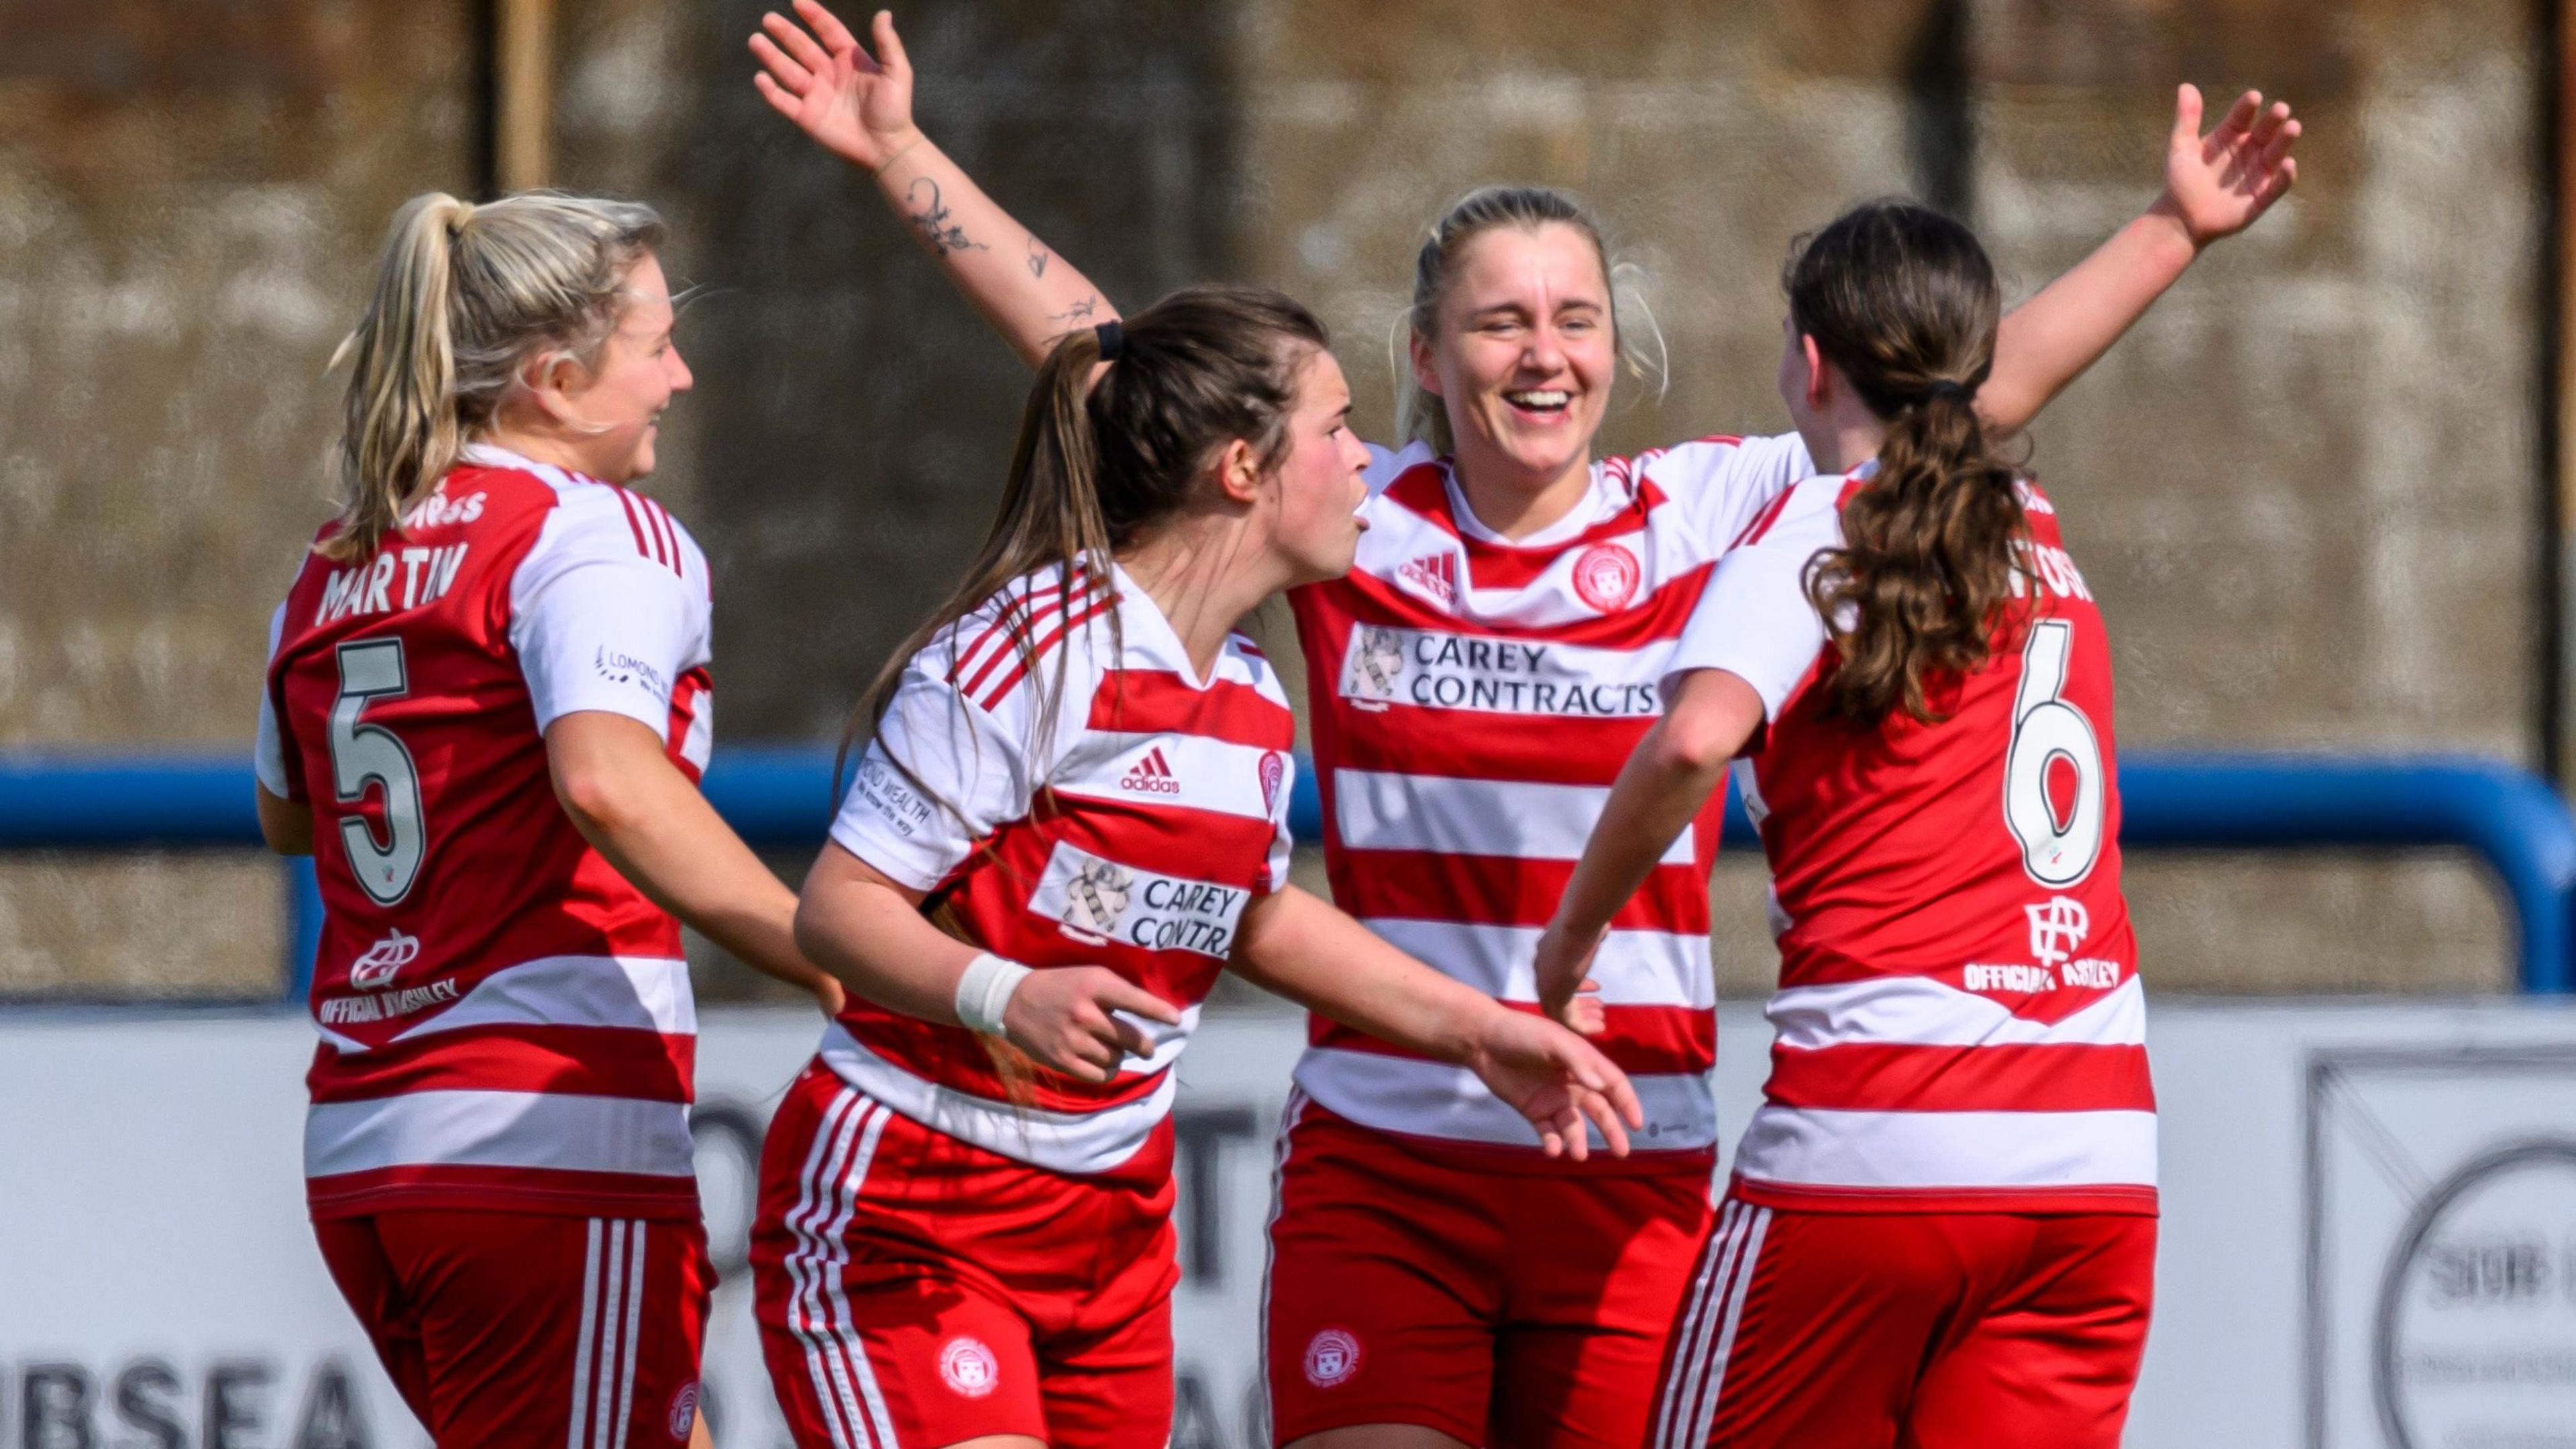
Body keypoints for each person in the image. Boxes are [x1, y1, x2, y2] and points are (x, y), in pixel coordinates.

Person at [745, 7, 2296, 1444]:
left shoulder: (1719, 515)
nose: (1541, 350)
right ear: (1426, 359)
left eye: (1574, 316)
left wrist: (2169, 233)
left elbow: (1937, 404)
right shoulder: (1357, 514)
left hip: (1625, 1147)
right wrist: (902, 153)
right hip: (1390, 1145)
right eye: (1496, 322)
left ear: (1617, 350)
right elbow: (1116, 360)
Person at [751, 282, 1641, 1449]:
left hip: (1114, 1226)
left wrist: (1480, 1030)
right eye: (1333, 428)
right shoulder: (1034, 650)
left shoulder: (1252, 698)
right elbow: (840, 908)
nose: (1364, 460)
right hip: (916, 1203)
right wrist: (1007, 994)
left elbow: (1258, 920)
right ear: (1240, 469)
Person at [1532, 200, 2157, 1448]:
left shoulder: (1821, 530)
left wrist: (1566, 945)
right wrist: (2179, 229)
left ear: (1809, 360)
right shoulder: (2036, 540)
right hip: (2096, 1161)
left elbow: (1694, 738)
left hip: (1886, 1138)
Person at [254, 190, 842, 1449]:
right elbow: (610, 781)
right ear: (557, 380)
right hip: (541, 1131)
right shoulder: (596, 536)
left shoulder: (335, 556)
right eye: (653, 343)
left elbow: (290, 816)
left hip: (368, 1147)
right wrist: (835, 957)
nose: (682, 376)